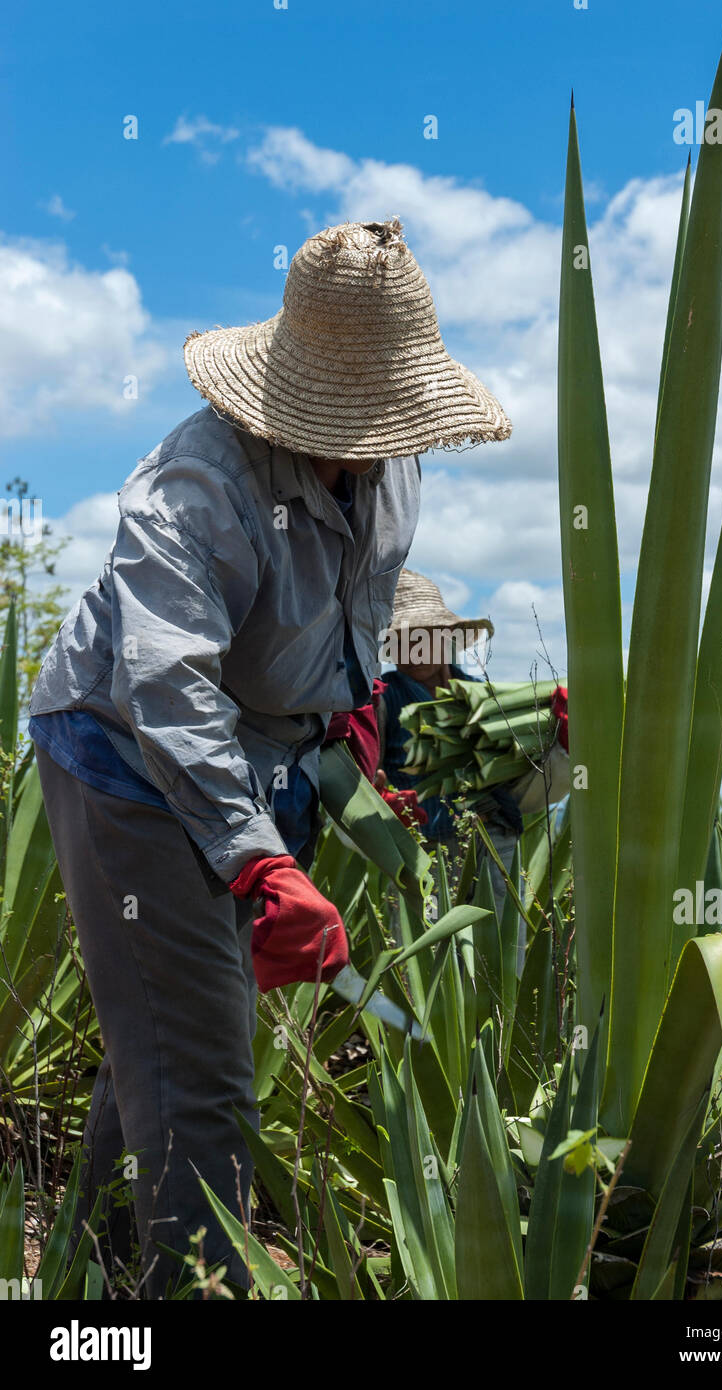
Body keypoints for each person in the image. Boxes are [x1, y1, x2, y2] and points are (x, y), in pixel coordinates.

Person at [28, 218, 511, 1297]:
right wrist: (260, 864)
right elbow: (165, 686)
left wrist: (363, 724)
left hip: (258, 755)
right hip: (126, 759)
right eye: (348, 423)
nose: (367, 444)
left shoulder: (393, 469)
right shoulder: (196, 486)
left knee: (167, 1031)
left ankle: (90, 1284)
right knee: (208, 1087)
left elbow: (356, 614)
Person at [376, 570, 526, 923]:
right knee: (428, 963)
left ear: (444, 637)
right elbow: (368, 772)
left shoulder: (482, 696)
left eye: (420, 636)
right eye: (400, 639)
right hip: (421, 853)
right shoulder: (384, 699)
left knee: (500, 958)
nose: (410, 650)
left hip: (492, 842)